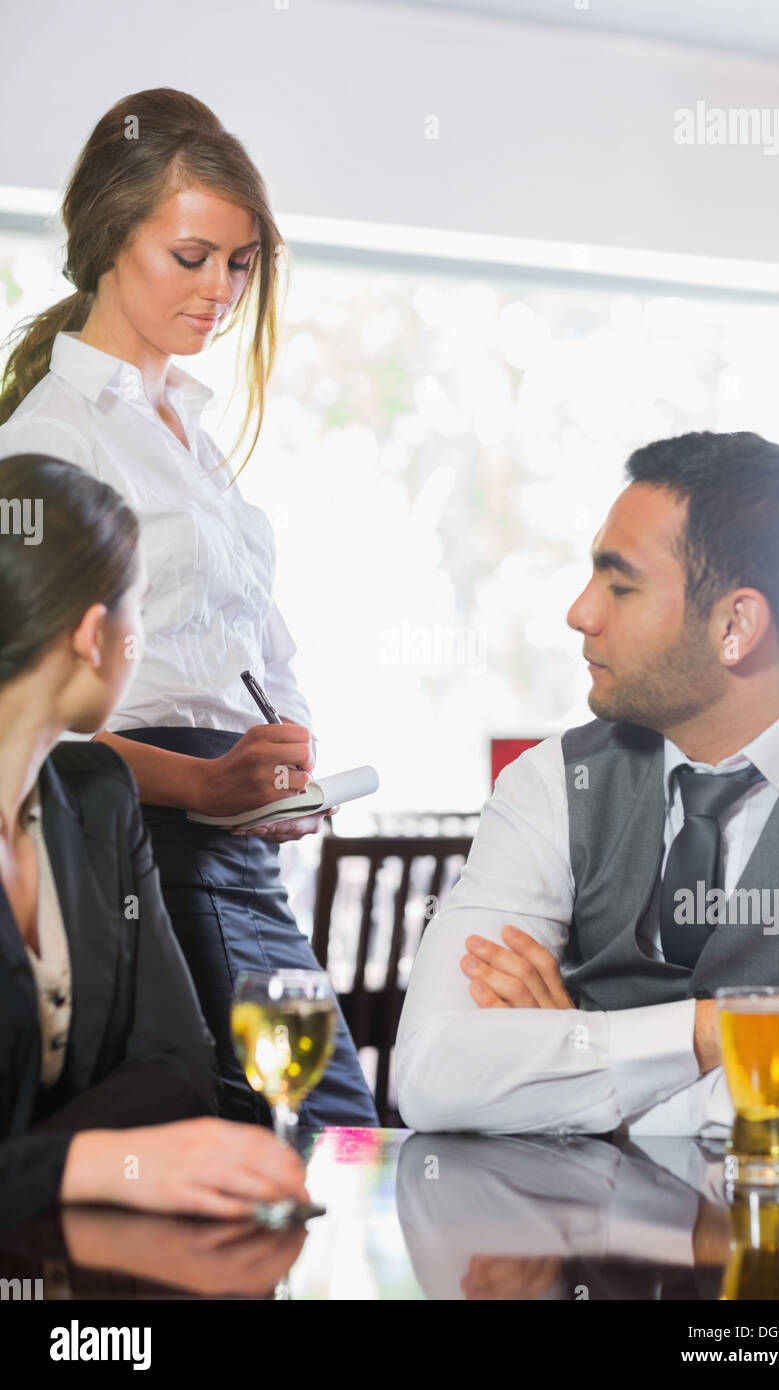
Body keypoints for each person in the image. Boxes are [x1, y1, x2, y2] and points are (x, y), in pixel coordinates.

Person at [0, 87, 377, 1128]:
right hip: (147, 841)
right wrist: (204, 784)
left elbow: (244, 638)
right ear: (112, 238)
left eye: (240, 263)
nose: (221, 288)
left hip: (232, 835)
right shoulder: (55, 439)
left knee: (318, 1137)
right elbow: (31, 723)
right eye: (192, 256)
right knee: (310, 1140)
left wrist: (279, 765)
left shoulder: (187, 432)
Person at [395, 430, 779, 1135]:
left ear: (736, 624)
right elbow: (434, 1077)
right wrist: (729, 1030)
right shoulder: (552, 781)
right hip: (583, 1243)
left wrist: (581, 1073)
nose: (581, 613)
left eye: (620, 586)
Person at [0, 454, 309, 1225]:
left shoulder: (100, 801)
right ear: (94, 635)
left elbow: (180, 1064)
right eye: (141, 611)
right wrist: (84, 1163)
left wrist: (33, 1171)